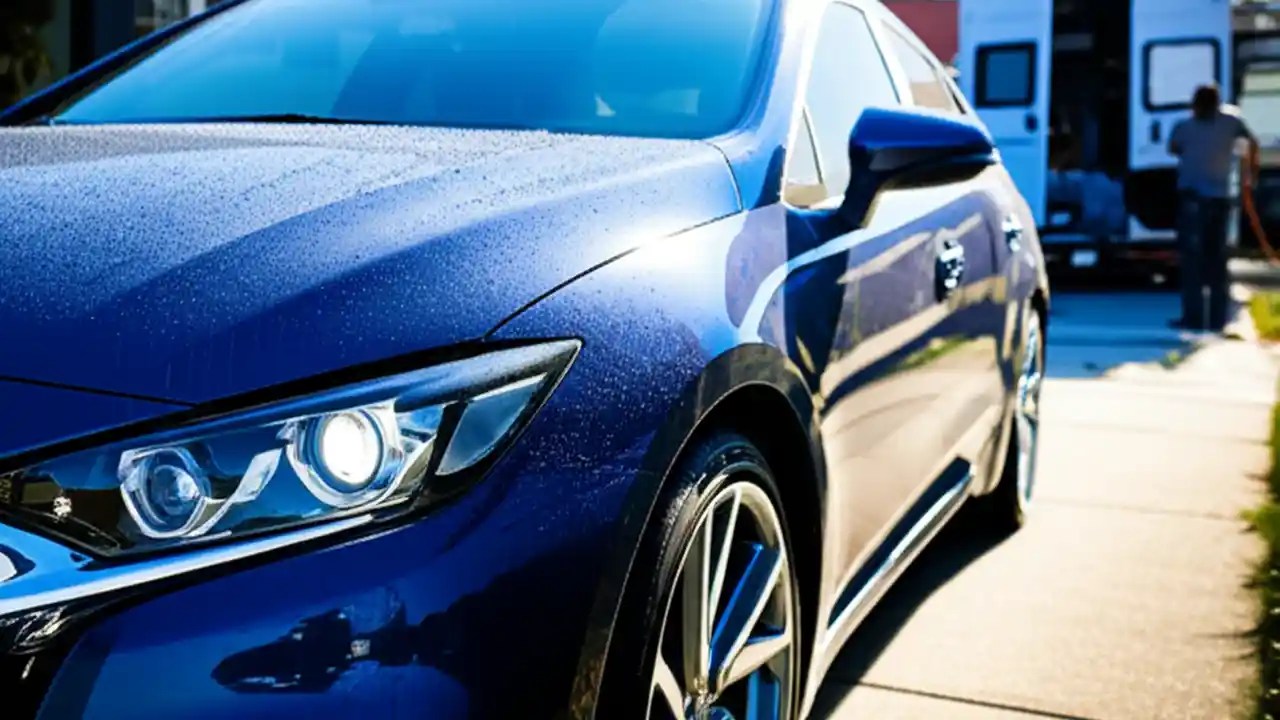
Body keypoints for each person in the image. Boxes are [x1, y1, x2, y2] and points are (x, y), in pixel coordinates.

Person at [1168, 84, 1260, 331]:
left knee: (1193, 261)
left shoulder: (1184, 126)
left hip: (1193, 199)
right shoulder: (1231, 122)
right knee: (1216, 261)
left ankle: (1194, 317)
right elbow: (1251, 143)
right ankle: (1217, 319)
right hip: (1219, 198)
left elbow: (1174, 148)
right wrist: (1250, 174)